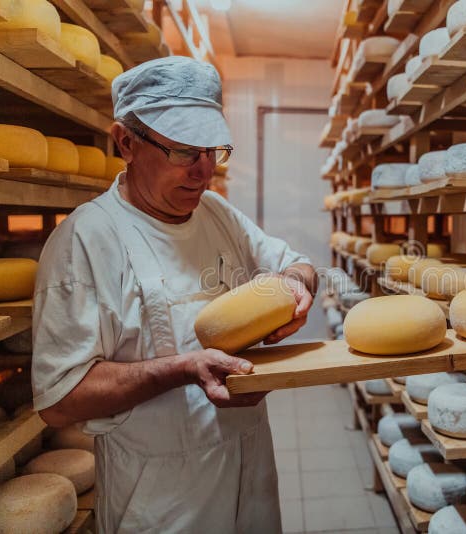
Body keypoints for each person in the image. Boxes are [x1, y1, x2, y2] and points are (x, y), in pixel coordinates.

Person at [31, 56, 317, 533]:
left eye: (213, 151)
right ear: (126, 141)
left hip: (250, 473)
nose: (203, 173)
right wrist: (184, 368)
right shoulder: (87, 240)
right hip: (163, 496)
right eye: (184, 152)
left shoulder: (217, 213)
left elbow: (297, 261)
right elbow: (59, 399)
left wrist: (298, 284)